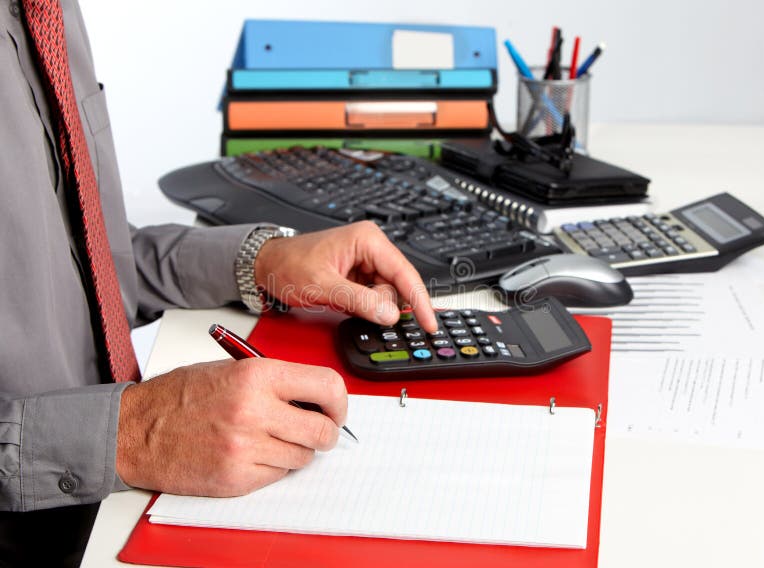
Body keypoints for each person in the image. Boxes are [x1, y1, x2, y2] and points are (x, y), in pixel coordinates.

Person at [0, 1, 437, 565]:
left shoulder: (44, 13)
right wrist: (130, 433)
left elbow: (67, 253)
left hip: (109, 515)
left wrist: (260, 260)